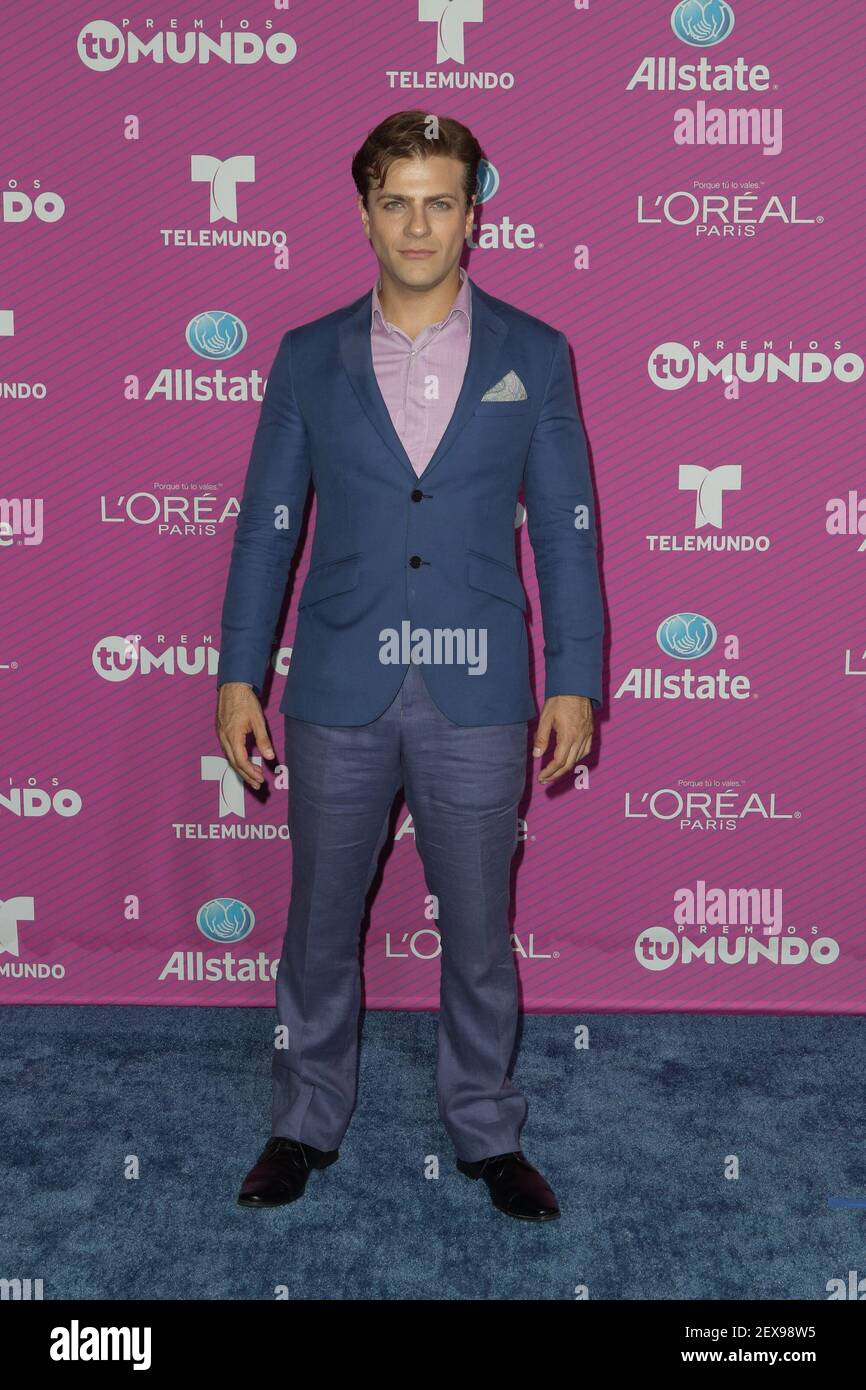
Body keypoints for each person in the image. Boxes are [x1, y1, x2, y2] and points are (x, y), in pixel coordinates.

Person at [215, 110, 604, 1222]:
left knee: (478, 931)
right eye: (396, 200)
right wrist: (239, 673)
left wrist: (572, 675)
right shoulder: (305, 356)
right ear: (364, 211)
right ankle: (301, 1120)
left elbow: (566, 531)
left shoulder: (535, 354)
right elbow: (264, 529)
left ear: (474, 212)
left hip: (481, 689)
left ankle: (485, 1128)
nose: (418, 223)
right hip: (337, 681)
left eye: (441, 200)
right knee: (317, 925)